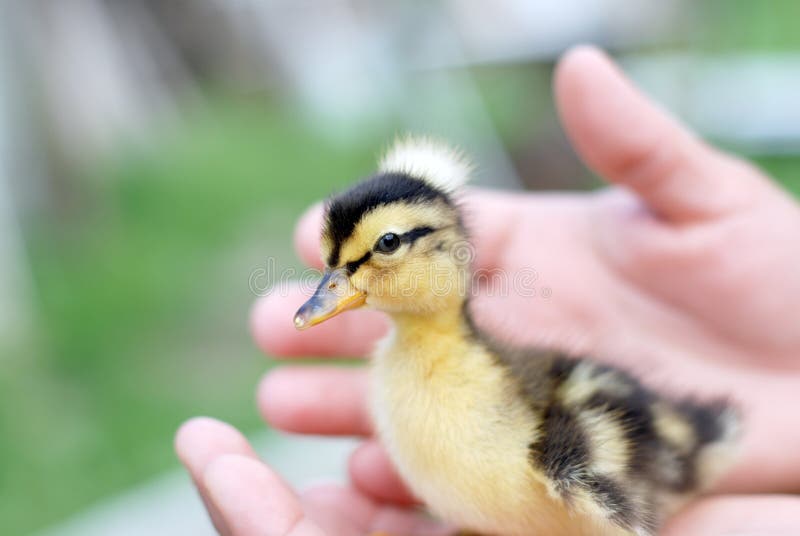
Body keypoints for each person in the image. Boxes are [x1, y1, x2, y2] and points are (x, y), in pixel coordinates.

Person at [174, 46, 800, 536]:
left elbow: (604, 471)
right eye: (339, 268)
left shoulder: (519, 419)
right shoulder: (409, 377)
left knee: (567, 461)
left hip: (659, 448)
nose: (337, 287)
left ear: (446, 251)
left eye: (384, 248)